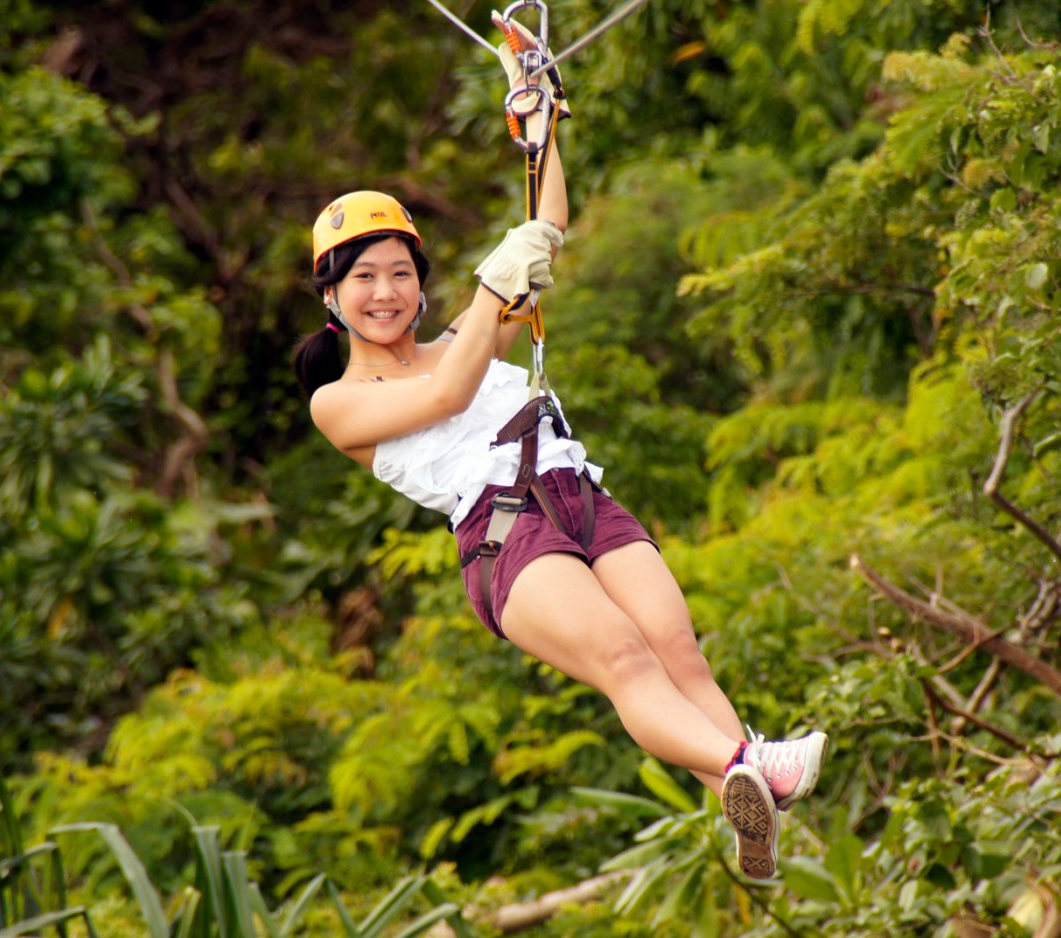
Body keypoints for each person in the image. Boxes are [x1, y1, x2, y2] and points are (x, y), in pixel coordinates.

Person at [291, 21, 827, 882]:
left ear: (420, 282)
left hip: (580, 497)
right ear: (331, 295)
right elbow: (446, 396)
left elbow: (547, 221)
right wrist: (493, 285)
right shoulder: (340, 401)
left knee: (676, 650)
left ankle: (748, 808)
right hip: (507, 539)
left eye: (400, 272)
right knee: (622, 658)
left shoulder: (469, 332)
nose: (386, 292)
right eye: (364, 277)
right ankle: (750, 767)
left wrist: (539, 121)